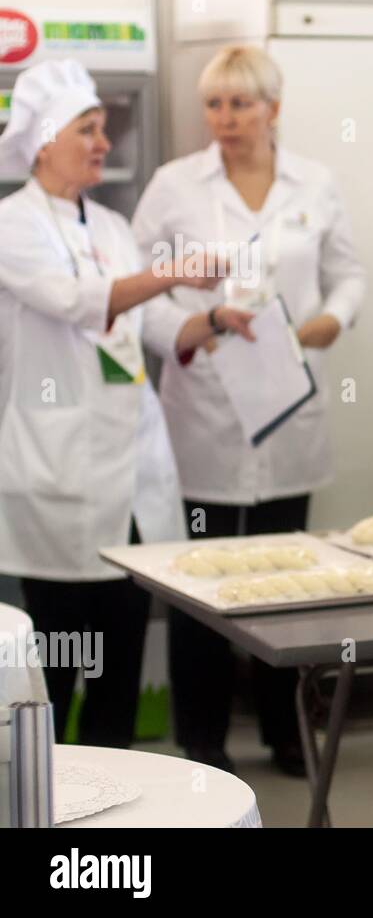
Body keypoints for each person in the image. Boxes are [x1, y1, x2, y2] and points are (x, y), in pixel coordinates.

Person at [0, 59, 251, 746]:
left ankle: (114, 805)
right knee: (52, 674)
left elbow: (150, 321)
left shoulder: (111, 227)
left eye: (104, 127)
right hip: (59, 480)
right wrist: (173, 269)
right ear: (45, 140)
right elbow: (80, 302)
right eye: (88, 129)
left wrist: (217, 320)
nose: (103, 142)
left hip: (133, 481)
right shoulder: (12, 226)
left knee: (118, 668)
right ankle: (42, 812)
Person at [132, 45, 367, 775]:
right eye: (214, 104)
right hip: (203, 406)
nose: (225, 119)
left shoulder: (316, 183)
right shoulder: (176, 185)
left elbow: (348, 274)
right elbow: (137, 290)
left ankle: (286, 729)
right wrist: (191, 327)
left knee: (286, 580)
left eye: (240, 103)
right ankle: (201, 738)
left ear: (273, 106)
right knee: (202, 578)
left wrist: (332, 321)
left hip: (287, 404)